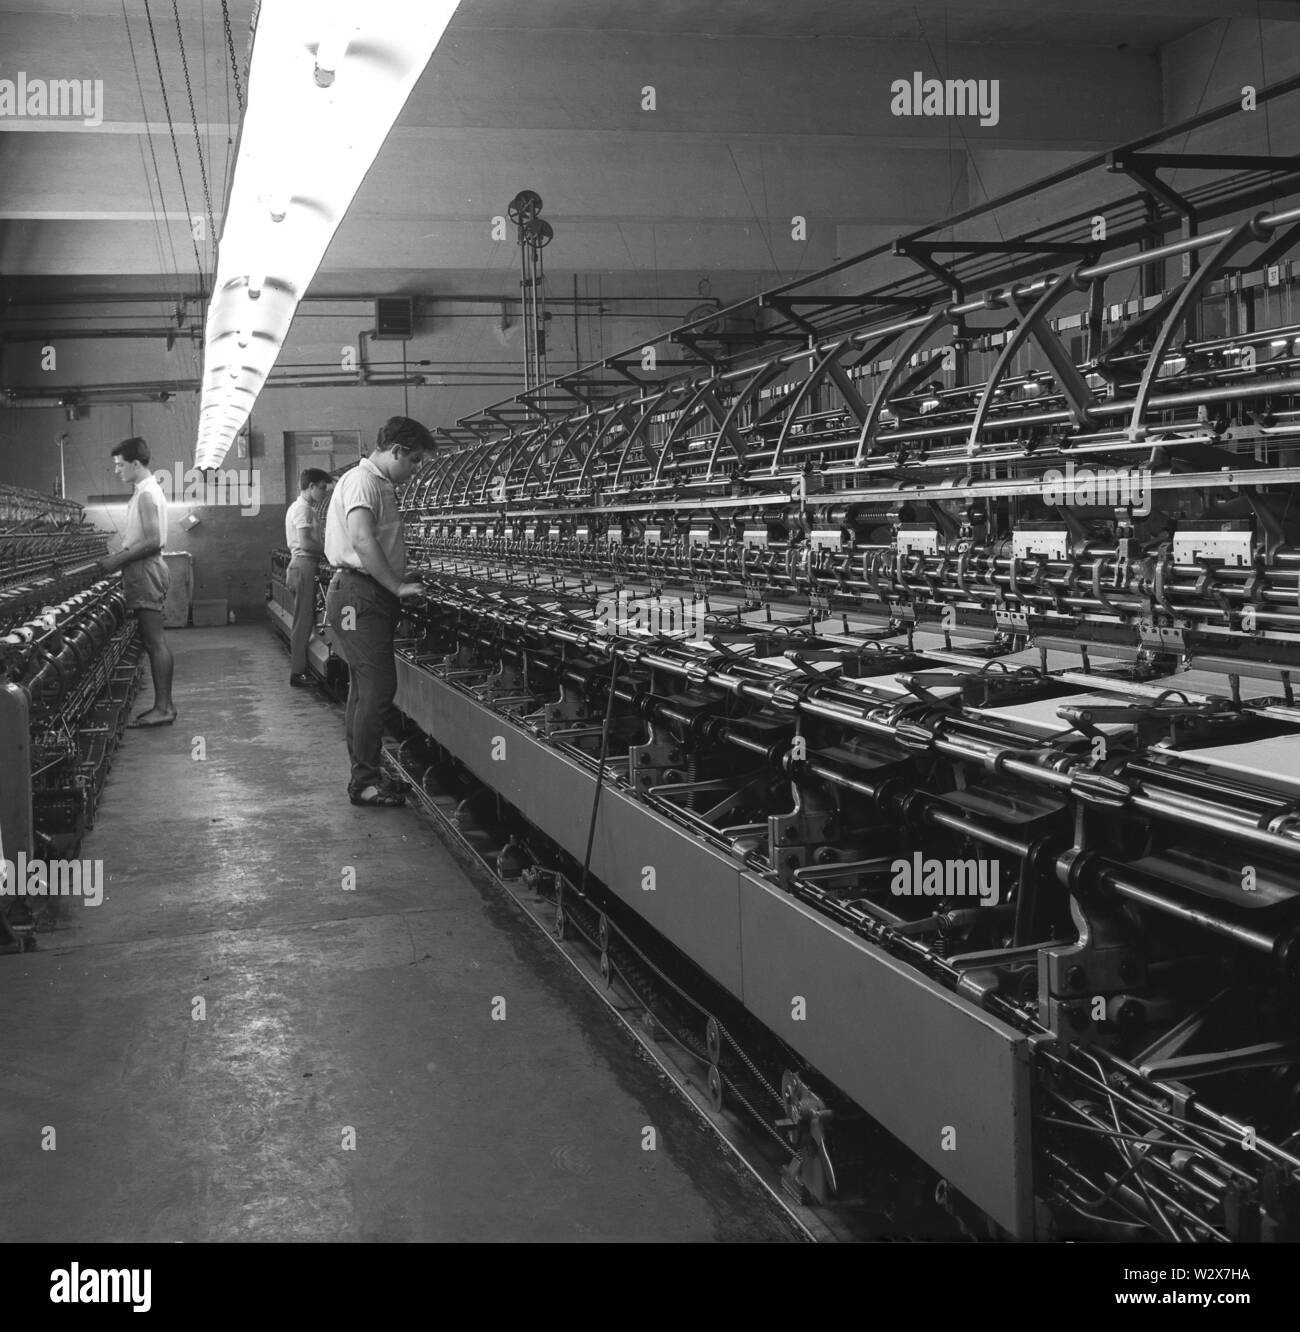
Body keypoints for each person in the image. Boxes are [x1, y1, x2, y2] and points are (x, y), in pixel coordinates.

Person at [323, 416, 432, 806]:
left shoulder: (375, 482)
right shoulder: (363, 480)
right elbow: (362, 539)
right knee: (377, 689)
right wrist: (398, 585)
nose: (416, 469)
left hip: (362, 592)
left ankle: (365, 773)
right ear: (396, 451)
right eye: (415, 460)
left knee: (363, 690)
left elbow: (373, 545)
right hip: (360, 595)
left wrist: (399, 573)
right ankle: (365, 783)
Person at [97, 436, 176, 727]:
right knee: (152, 640)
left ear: (135, 463)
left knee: (155, 642)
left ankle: (164, 708)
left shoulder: (146, 494)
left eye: (120, 465)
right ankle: (162, 706)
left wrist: (117, 560)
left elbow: (153, 541)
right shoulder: (146, 491)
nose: (117, 471)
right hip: (142, 569)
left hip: (145, 570)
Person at [285, 468, 334, 686]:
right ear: (311, 486)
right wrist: (330, 551)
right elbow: (305, 543)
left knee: (303, 619)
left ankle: (300, 668)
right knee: (302, 622)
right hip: (303, 565)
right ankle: (298, 673)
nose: (324, 492)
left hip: (303, 565)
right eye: (322, 488)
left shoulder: (302, 508)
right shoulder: (303, 510)